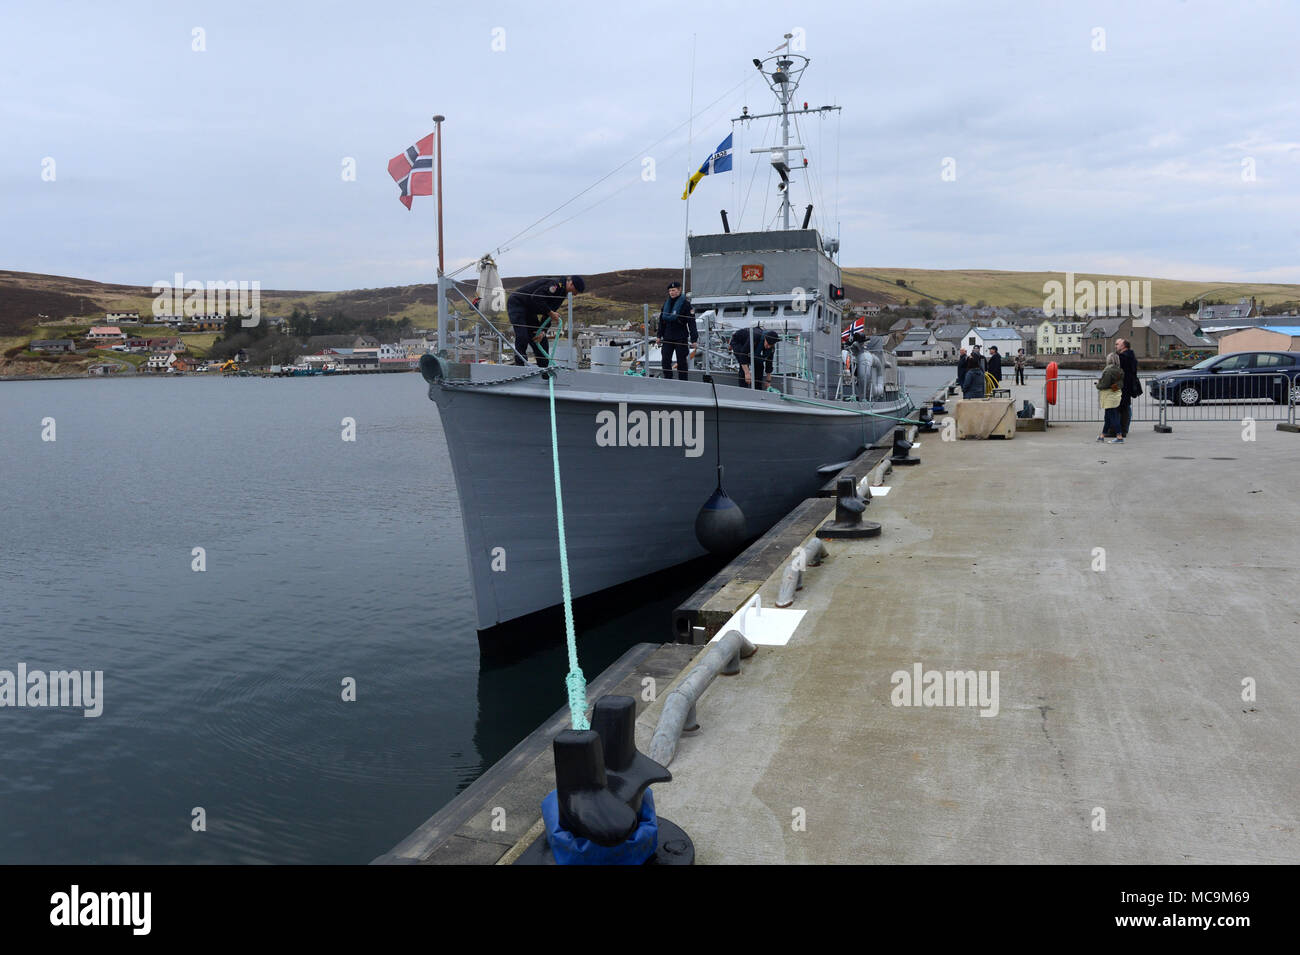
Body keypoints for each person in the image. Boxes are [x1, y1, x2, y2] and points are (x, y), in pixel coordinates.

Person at [506, 275, 586, 366]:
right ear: (571, 284)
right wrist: (550, 312)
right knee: (522, 336)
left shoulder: (562, 293)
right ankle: (520, 367)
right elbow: (536, 297)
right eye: (576, 290)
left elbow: (548, 315)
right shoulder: (554, 285)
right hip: (517, 303)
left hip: (530, 310)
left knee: (541, 340)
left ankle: (544, 373)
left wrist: (543, 331)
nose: (575, 294)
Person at [655, 281, 697, 381]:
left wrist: (694, 339)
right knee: (665, 360)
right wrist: (659, 335)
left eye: (673, 290)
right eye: (670, 291)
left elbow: (691, 323)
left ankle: (683, 382)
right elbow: (662, 321)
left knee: (681, 361)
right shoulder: (666, 304)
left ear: (679, 290)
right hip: (668, 336)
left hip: (681, 337)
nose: (671, 292)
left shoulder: (686, 305)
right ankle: (668, 380)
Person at [1096, 352, 1124, 443]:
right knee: (1108, 416)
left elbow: (1105, 384)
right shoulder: (1120, 370)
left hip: (1109, 396)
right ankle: (1102, 435)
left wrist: (1098, 385)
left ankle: (1119, 436)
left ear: (1109, 360)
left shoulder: (1108, 370)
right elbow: (1119, 384)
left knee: (1113, 416)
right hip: (1116, 394)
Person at [1116, 338, 1140, 439]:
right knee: (1126, 406)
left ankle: (1122, 430)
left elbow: (1120, 372)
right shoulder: (1131, 355)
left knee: (1123, 407)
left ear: (1123, 346)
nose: (1115, 346)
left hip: (1124, 385)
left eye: (1117, 344)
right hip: (1129, 384)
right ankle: (1124, 429)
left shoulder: (1123, 357)